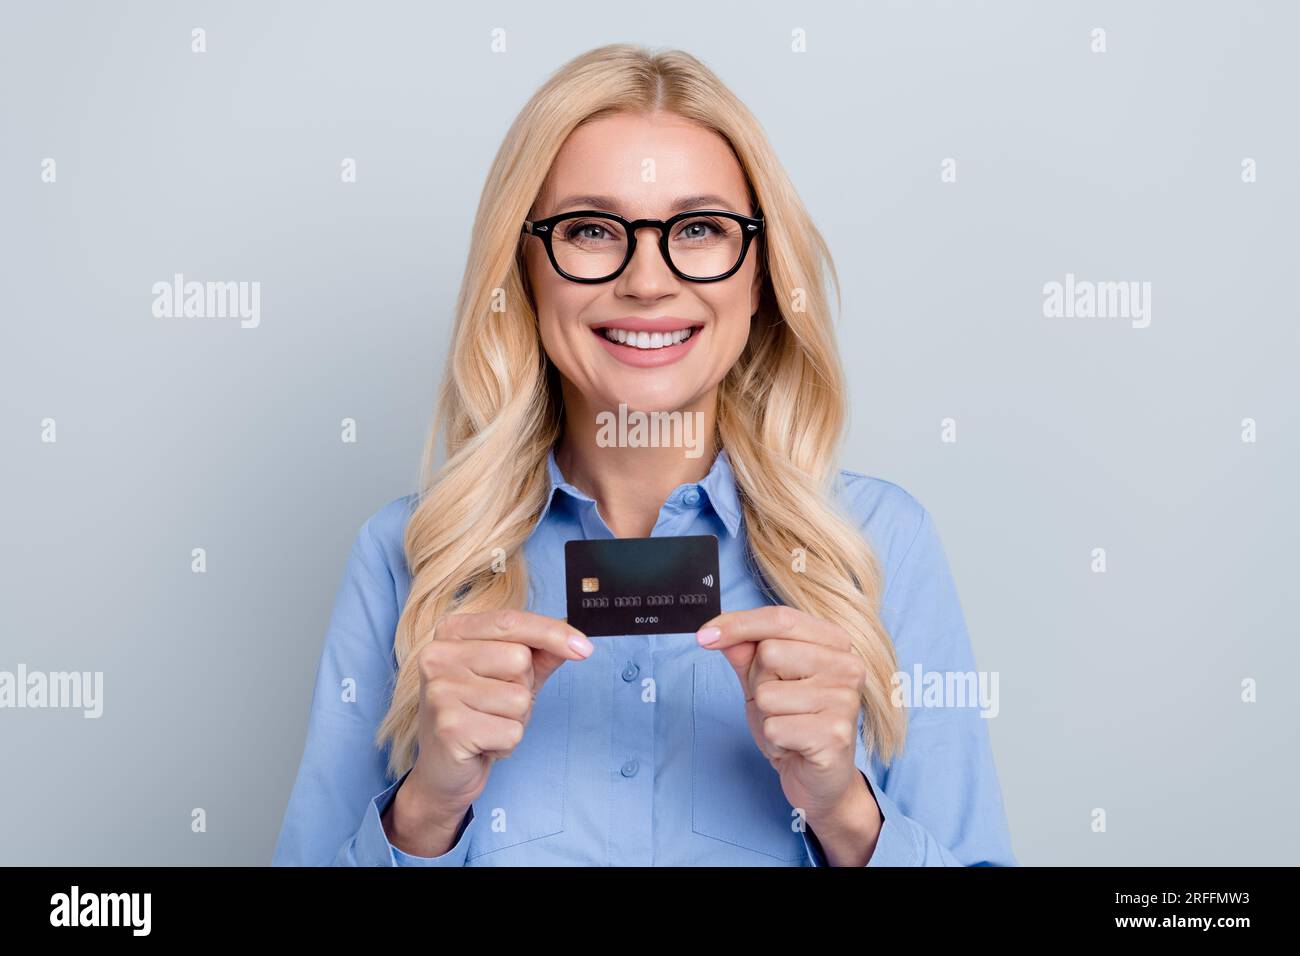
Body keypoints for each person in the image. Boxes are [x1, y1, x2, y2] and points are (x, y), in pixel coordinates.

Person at [272, 43, 1015, 866]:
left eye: (699, 229)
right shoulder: (409, 558)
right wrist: (426, 808)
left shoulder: (878, 544)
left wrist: (843, 808)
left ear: (761, 272)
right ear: (523, 270)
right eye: (592, 230)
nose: (648, 281)